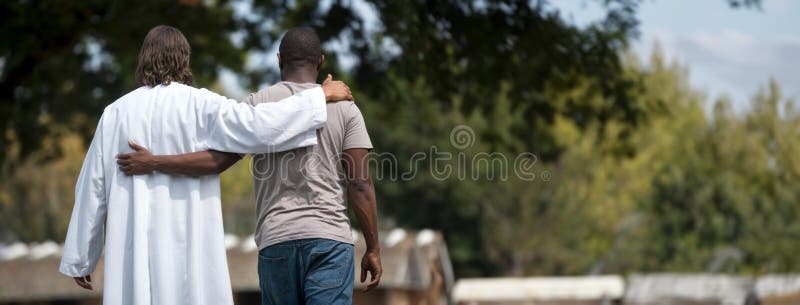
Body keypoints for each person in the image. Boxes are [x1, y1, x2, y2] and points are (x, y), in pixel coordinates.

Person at [59, 25, 354, 305]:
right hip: (188, 243)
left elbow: (91, 187)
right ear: (184, 60)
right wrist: (319, 96)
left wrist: (82, 256)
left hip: (132, 248)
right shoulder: (201, 105)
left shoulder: (115, 114)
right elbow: (260, 125)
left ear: (143, 59)